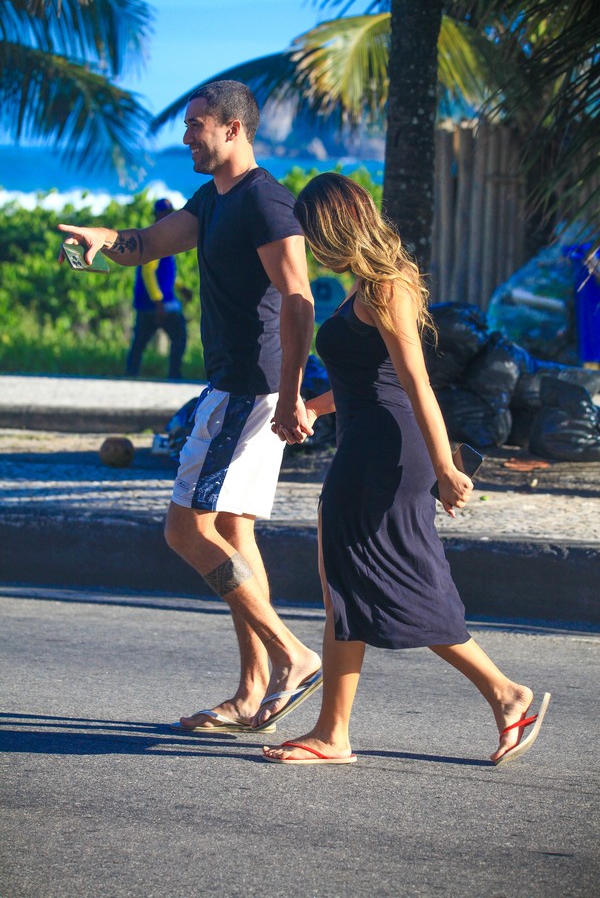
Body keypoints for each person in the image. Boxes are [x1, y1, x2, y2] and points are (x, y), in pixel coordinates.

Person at [58, 80, 323, 734]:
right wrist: (103, 238)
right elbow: (149, 244)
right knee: (232, 533)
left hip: (246, 392)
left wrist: (291, 394)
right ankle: (252, 691)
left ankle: (292, 655)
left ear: (233, 129)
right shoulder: (214, 198)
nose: (185, 137)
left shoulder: (264, 200)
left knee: (184, 530)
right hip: (239, 388)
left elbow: (299, 300)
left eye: (195, 125)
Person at [262, 173, 550, 765]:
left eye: (312, 234)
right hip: (368, 446)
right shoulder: (368, 285)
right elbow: (369, 379)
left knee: (389, 583)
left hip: (384, 455)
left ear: (334, 228)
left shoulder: (385, 286)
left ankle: (504, 693)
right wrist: (313, 407)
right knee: (349, 585)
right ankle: (335, 732)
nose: (310, 247)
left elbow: (417, 383)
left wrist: (445, 467)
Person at [125, 198, 190, 381]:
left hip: (158, 301)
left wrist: (180, 287)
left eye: (171, 213)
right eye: (166, 214)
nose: (169, 217)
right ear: (157, 215)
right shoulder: (157, 237)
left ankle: (131, 375)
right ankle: (174, 376)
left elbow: (164, 273)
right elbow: (148, 272)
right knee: (178, 338)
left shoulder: (164, 236)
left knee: (141, 342)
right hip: (156, 303)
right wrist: (158, 301)